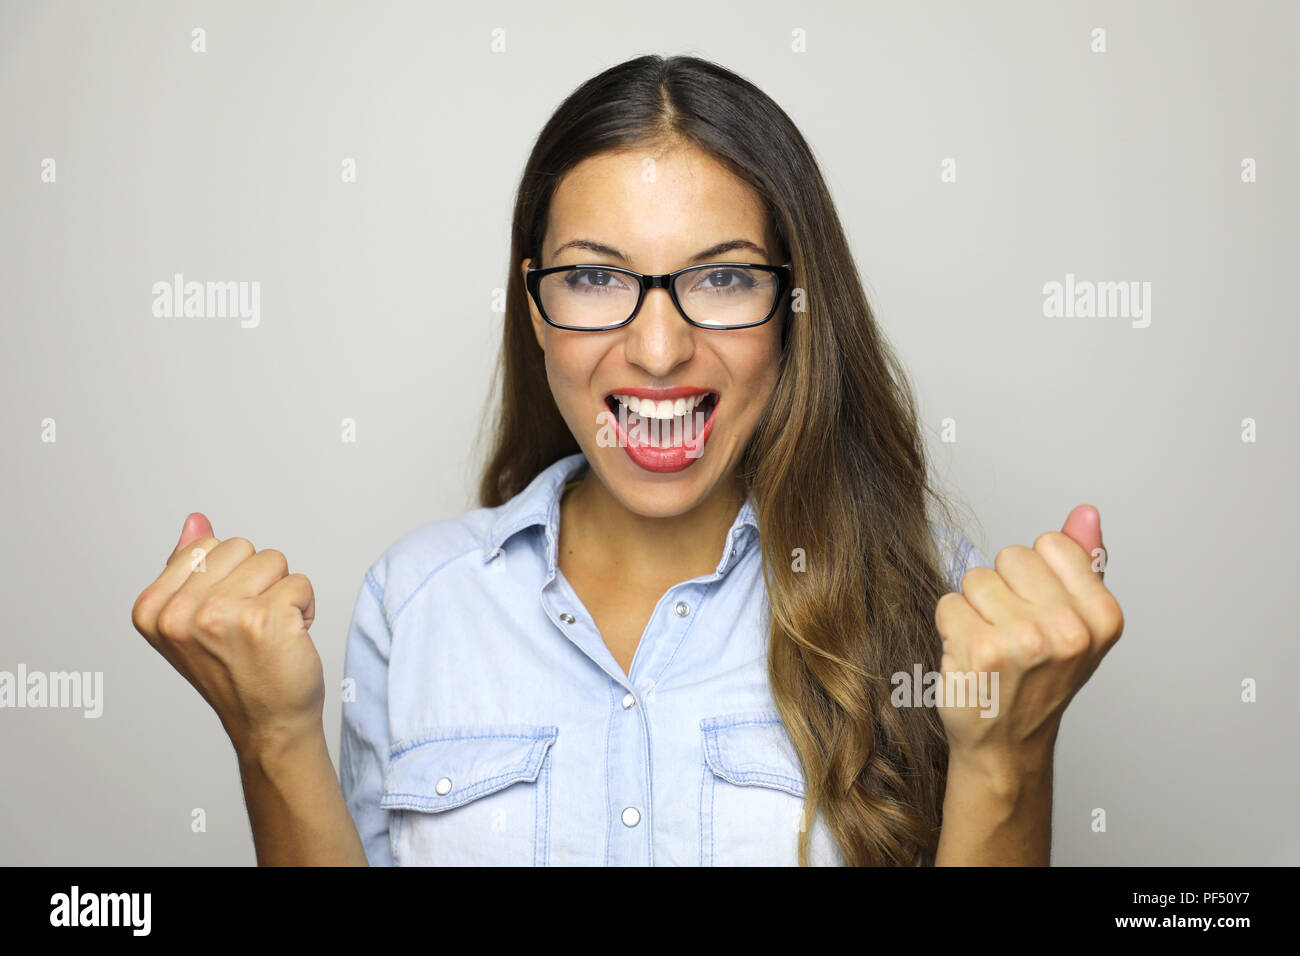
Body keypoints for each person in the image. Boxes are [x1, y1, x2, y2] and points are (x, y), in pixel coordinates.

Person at [130, 54, 1124, 867]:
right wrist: (273, 737)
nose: (656, 350)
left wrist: (1012, 752)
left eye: (723, 276)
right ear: (533, 305)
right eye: (597, 276)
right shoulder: (418, 602)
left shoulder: (943, 607)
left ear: (792, 307)